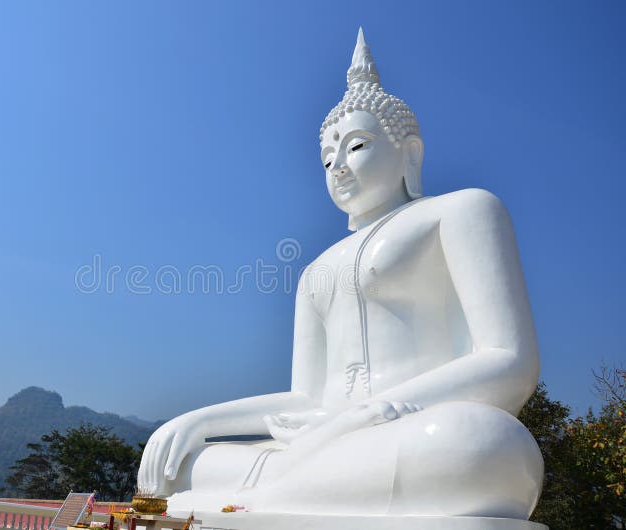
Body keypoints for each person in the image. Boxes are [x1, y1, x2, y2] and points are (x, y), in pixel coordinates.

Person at [138, 28, 543, 520]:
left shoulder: (462, 211)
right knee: (178, 464)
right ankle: (262, 493)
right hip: (315, 447)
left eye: (356, 147)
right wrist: (201, 421)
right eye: (328, 158)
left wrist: (366, 416)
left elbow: (509, 360)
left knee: (488, 448)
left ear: (410, 153)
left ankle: (253, 502)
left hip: (409, 430)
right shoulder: (315, 272)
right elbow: (306, 397)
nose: (338, 168)